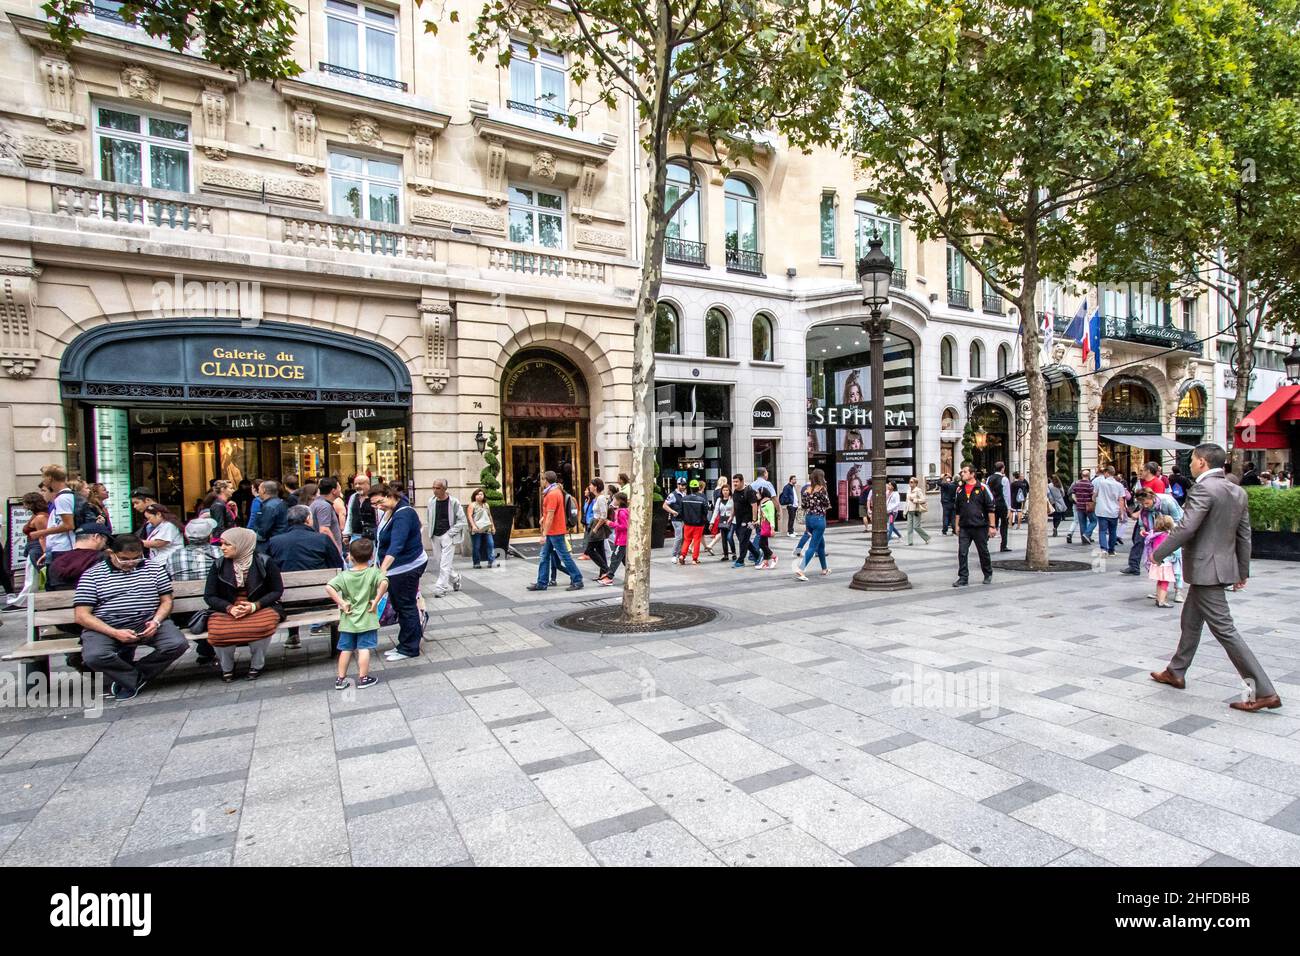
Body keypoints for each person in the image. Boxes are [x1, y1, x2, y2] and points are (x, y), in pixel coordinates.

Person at [1150, 443, 1280, 712]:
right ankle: (1176, 671)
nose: (1191, 464)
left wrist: (1158, 552)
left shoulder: (1203, 489)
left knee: (1225, 630)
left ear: (1203, 462)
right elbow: (1244, 534)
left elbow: (1186, 527)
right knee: (1191, 621)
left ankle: (1264, 691)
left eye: (1194, 459)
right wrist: (1242, 571)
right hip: (1218, 568)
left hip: (1205, 569)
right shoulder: (1237, 491)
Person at [74, 533, 190, 701]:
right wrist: (114, 632)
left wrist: (156, 621)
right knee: (95, 656)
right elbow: (82, 615)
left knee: (177, 644)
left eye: (136, 558)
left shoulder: (154, 568)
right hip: (106, 626)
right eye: (124, 559)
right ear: (110, 553)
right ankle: (132, 678)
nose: (130, 563)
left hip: (148, 621)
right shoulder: (92, 575)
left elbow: (166, 601)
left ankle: (130, 677)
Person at [204, 527, 284, 682]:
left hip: (260, 606)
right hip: (227, 607)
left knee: (261, 626)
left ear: (241, 544)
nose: (222, 548)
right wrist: (229, 608)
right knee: (218, 630)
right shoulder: (219, 565)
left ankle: (257, 664)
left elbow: (276, 590)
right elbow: (210, 595)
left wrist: (254, 606)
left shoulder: (264, 562)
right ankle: (227, 667)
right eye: (222, 544)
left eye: (227, 544)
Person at [372, 483, 427, 661]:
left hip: (407, 566)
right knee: (400, 605)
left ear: (390, 495)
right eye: (375, 505)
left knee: (406, 606)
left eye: (380, 502)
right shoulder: (391, 511)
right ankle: (404, 644)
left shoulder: (404, 513)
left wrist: (382, 570)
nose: (378, 507)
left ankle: (410, 648)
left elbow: (397, 544)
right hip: (397, 568)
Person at [327, 537, 388, 690]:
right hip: (367, 619)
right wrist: (376, 600)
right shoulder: (373, 573)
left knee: (346, 649)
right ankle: (363, 677)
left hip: (348, 620)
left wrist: (341, 602)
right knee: (364, 649)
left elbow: (329, 587)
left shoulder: (344, 575)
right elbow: (384, 582)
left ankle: (341, 679)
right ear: (372, 557)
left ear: (350, 557)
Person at [165, 517, 220, 666]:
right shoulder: (221, 553)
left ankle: (205, 650)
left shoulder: (173, 557)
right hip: (217, 609)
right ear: (210, 536)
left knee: (195, 613)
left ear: (187, 537)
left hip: (183, 615)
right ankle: (206, 650)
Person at [527, 471, 584, 591]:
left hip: (554, 531)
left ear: (545, 480)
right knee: (545, 556)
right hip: (554, 531)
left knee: (564, 556)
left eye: (542, 479)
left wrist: (544, 534)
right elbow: (551, 513)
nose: (540, 481)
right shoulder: (556, 492)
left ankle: (577, 580)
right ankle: (542, 583)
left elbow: (551, 516)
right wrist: (544, 517)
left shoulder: (552, 494)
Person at [1122, 488, 1184, 581]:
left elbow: (1178, 519)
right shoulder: (1145, 507)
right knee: (1157, 561)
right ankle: (1161, 584)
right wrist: (1143, 529)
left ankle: (1178, 589)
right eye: (1142, 504)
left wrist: (1168, 532)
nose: (1145, 506)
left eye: (1147, 503)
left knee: (1175, 561)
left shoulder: (1167, 501)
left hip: (1171, 528)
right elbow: (1142, 520)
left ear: (1153, 498)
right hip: (1156, 530)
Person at [266, 504, 345, 572]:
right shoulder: (322, 539)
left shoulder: (274, 542)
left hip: (286, 587)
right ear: (308, 519)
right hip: (319, 585)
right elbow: (337, 565)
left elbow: (270, 568)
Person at [953, 465, 996, 587]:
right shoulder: (959, 490)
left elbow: (991, 507)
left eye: (965, 472)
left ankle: (988, 573)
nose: (962, 474)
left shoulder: (982, 488)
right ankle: (963, 577)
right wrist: (957, 525)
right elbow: (957, 509)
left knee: (983, 551)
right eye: (962, 472)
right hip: (965, 527)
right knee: (962, 552)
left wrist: (992, 526)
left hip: (980, 526)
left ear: (972, 474)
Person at [425, 478, 468, 598]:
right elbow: (429, 517)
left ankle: (440, 588)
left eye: (437, 488)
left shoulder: (454, 502)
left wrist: (451, 533)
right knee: (440, 562)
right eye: (433, 487)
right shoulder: (431, 501)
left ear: (444, 488)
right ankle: (455, 578)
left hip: (448, 535)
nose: (434, 490)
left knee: (444, 563)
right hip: (435, 535)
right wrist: (430, 532)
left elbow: (462, 520)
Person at [7, 491, 50, 607]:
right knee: (32, 577)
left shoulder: (40, 517)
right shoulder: (37, 515)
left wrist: (45, 552)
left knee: (32, 578)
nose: (24, 506)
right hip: (33, 547)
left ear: (31, 504)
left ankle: (22, 602)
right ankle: (25, 602)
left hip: (37, 548)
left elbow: (43, 536)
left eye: (25, 503)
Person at [31, 464, 77, 567]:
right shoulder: (63, 496)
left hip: (63, 548)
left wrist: (41, 532)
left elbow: (68, 525)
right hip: (58, 548)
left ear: (50, 478)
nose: (43, 481)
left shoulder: (63, 498)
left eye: (44, 477)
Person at [46, 523, 111, 591]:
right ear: (97, 537)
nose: (105, 545)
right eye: (106, 541)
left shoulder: (56, 562)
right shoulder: (104, 559)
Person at [794, 469, 831, 581]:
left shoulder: (807, 490)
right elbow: (827, 504)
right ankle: (801, 569)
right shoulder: (822, 489)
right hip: (819, 519)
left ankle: (824, 569)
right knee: (813, 546)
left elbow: (804, 506)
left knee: (821, 545)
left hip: (809, 518)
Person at [1145, 515, 1181, 608]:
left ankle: (1158, 598)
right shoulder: (1167, 536)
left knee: (1160, 581)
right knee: (1165, 581)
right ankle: (1162, 601)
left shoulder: (1155, 535)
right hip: (1165, 563)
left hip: (1156, 562)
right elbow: (1172, 549)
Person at [1091, 465, 1126, 555]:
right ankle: (1111, 549)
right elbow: (1121, 499)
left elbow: (1095, 494)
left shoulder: (1101, 483)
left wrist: (1094, 499)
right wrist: (1121, 512)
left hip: (1102, 510)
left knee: (1102, 530)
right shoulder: (1119, 485)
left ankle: (1103, 549)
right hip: (1114, 510)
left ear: (1107, 473)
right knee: (1112, 531)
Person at [730, 474, 762, 568]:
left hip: (748, 520)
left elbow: (754, 505)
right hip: (738, 520)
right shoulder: (735, 492)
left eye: (737, 482)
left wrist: (754, 520)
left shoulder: (749, 491)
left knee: (743, 538)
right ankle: (757, 555)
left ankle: (740, 560)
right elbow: (734, 505)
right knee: (743, 539)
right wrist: (731, 516)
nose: (735, 484)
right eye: (734, 481)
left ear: (742, 481)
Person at [598, 492, 630, 585]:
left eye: (614, 499)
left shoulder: (621, 512)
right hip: (621, 539)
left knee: (615, 559)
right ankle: (633, 575)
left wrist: (610, 523)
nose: (613, 501)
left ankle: (609, 577)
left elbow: (624, 526)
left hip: (622, 540)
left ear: (619, 501)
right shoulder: (623, 510)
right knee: (623, 560)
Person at [677, 479, 709, 565]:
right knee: (697, 540)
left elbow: (681, 512)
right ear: (698, 488)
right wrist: (703, 520)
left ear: (690, 488)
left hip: (687, 524)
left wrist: (684, 519)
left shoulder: (684, 499)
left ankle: (682, 556)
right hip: (699, 524)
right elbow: (705, 512)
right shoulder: (701, 499)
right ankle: (694, 559)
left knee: (687, 540)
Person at [311, 477, 344, 557]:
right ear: (333, 491)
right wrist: (336, 549)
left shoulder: (317, 503)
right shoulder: (324, 506)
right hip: (328, 551)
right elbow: (324, 530)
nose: (340, 489)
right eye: (339, 487)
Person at [986, 461, 1012, 552]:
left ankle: (985, 541)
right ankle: (1003, 545)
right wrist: (1009, 507)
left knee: (992, 523)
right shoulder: (1004, 479)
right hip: (1002, 504)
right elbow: (1006, 495)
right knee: (1004, 525)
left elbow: (987, 492)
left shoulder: (989, 478)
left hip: (992, 504)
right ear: (1002, 468)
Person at [344, 474, 376, 544]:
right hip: (355, 535)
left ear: (368, 484)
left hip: (372, 536)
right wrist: (346, 534)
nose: (357, 486)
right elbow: (349, 515)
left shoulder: (374, 497)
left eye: (360, 484)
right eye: (355, 484)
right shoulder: (353, 497)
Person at [468, 488, 496, 570]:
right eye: (478, 494)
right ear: (474, 496)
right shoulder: (472, 505)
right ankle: (476, 563)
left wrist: (493, 526)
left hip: (487, 528)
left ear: (484, 496)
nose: (480, 496)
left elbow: (489, 516)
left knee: (490, 544)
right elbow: (469, 516)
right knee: (476, 546)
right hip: (477, 528)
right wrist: (473, 526)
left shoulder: (486, 505)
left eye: (481, 494)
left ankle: (491, 561)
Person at [1068, 468, 1096, 544]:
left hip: (1079, 506)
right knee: (1094, 521)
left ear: (1081, 475)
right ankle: (1087, 534)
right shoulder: (1089, 484)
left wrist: (1078, 501)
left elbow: (1073, 495)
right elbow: (1092, 496)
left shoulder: (1077, 484)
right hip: (1088, 506)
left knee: (1082, 523)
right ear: (1089, 476)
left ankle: (1084, 539)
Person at [709, 483, 735, 562]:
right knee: (723, 538)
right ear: (722, 491)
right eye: (724, 490)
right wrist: (712, 522)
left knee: (729, 537)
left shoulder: (732, 499)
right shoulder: (719, 500)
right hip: (722, 521)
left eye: (727, 490)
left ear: (729, 491)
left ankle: (734, 553)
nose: (725, 492)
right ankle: (725, 555)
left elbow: (735, 509)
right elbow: (716, 511)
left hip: (731, 520)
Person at [663, 478, 686, 562]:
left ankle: (680, 554)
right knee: (679, 537)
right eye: (681, 485)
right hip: (676, 519)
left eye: (684, 485)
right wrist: (673, 512)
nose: (683, 487)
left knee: (683, 537)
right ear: (678, 484)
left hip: (683, 519)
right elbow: (664, 505)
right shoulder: (672, 495)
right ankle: (674, 555)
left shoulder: (684, 494)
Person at [754, 486, 777, 569]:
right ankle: (765, 563)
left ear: (762, 493)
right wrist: (757, 522)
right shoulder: (762, 502)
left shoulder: (769, 503)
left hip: (767, 526)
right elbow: (762, 514)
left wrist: (772, 528)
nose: (756, 494)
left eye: (757, 493)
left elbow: (771, 516)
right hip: (762, 525)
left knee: (761, 544)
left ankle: (774, 557)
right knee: (765, 544)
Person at [905, 477, 932, 545]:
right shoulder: (908, 490)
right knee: (909, 527)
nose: (910, 483)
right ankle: (910, 542)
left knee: (916, 526)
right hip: (909, 510)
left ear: (916, 483)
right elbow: (907, 501)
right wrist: (905, 510)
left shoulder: (918, 490)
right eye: (909, 482)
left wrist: (915, 500)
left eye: (911, 482)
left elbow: (923, 500)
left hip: (916, 510)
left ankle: (927, 538)